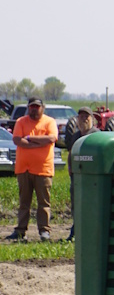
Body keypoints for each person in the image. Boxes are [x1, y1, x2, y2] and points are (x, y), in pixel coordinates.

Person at [8, 97, 58, 241]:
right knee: (24, 202)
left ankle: (44, 231)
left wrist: (29, 138)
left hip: (43, 170)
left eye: (37, 106)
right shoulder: (21, 121)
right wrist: (36, 143)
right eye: (31, 107)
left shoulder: (50, 122)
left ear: (42, 108)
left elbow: (51, 138)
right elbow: (17, 140)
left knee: (44, 203)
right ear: (28, 108)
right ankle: (20, 231)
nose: (34, 109)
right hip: (24, 169)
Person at [65, 106, 100, 240]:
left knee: (90, 205)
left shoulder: (96, 135)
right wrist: (69, 167)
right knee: (76, 203)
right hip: (76, 176)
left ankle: (88, 232)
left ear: (92, 119)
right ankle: (76, 230)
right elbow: (71, 153)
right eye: (81, 116)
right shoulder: (75, 135)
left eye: (86, 116)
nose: (83, 119)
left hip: (91, 177)